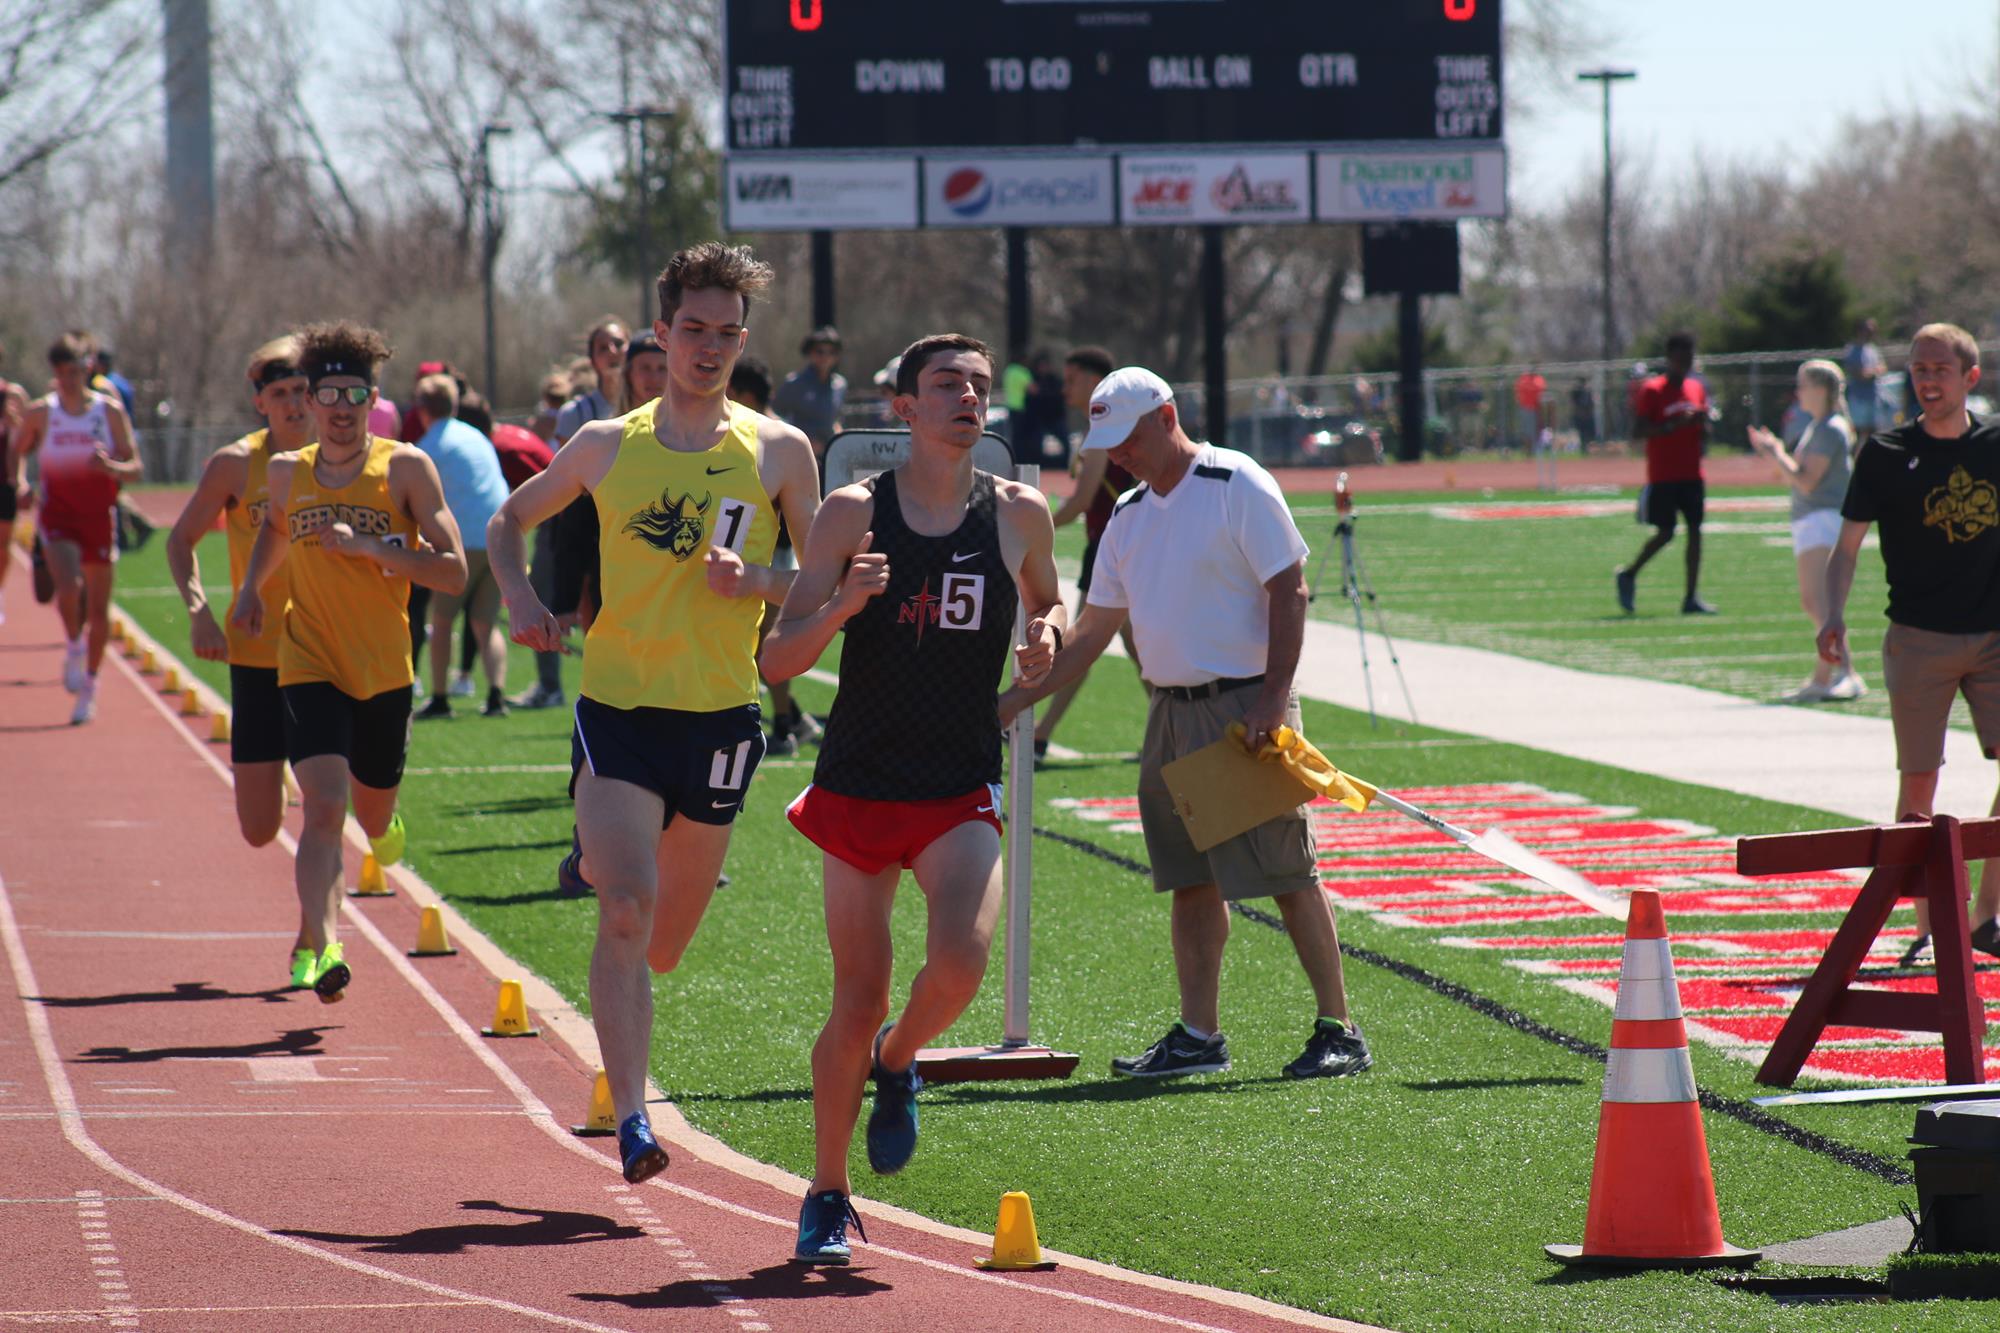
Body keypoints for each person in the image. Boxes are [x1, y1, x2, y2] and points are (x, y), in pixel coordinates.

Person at [488, 242, 819, 1184]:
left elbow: (826, 582)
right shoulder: (605, 446)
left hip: (719, 720)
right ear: (662, 334)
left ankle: (623, 929)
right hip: (619, 709)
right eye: (691, 330)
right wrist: (518, 598)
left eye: (725, 333)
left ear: (741, 339)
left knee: (665, 944)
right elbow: (507, 520)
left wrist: (754, 578)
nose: (707, 348)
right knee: (626, 911)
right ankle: (633, 1117)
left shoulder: (780, 451)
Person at [762, 333, 1065, 1266]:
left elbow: (1049, 604)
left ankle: (900, 1063)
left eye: (978, 384)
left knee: (963, 964)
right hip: (859, 778)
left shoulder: (1019, 512)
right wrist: (845, 606)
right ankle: (825, 1192)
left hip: (955, 779)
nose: (968, 397)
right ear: (905, 409)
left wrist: (1043, 642)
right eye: (947, 386)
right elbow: (777, 658)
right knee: (856, 999)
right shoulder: (853, 513)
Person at [999, 366, 1371, 1085]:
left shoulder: (1237, 484)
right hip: (1169, 712)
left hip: (1243, 708)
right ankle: (1200, 1032)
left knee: (1289, 872)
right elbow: (1098, 627)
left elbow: (1289, 589)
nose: (1118, 455)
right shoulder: (1130, 513)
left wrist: (1272, 698)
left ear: (1167, 416)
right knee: (1189, 879)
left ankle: (1339, 1027)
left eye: (1128, 437)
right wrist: (1020, 698)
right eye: (1107, 443)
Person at [232, 321, 467, 1003]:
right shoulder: (287, 472)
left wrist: (374, 551)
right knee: (324, 807)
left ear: (372, 400)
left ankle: (386, 823)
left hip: (384, 670)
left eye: (352, 393)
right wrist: (250, 591)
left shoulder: (404, 468)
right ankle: (325, 940)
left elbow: (452, 572)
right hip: (308, 659)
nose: (337, 406)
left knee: (368, 813)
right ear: (309, 400)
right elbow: (276, 529)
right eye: (324, 392)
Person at [1819, 323, 2000, 968]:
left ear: (1969, 378)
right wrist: (1832, 613)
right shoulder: (1887, 452)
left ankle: (1986, 916)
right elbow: (1846, 548)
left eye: (1940, 370)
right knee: (1919, 788)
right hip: (1919, 638)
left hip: (1994, 636)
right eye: (1919, 370)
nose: (1927, 380)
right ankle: (1928, 931)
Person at [165, 336, 319, 984]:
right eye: (278, 393)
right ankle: (282, 775)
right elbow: (179, 539)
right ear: (260, 401)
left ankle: (317, 937)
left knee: (328, 804)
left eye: (300, 392)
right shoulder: (236, 466)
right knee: (259, 830)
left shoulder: (335, 463)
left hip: (322, 655)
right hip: (255, 659)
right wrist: (200, 608)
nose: (292, 403)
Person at [10, 330, 142, 724]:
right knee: (69, 587)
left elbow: (135, 468)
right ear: (54, 373)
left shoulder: (108, 412)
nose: (69, 379)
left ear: (89, 369)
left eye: (76, 370)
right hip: (57, 516)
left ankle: (90, 685)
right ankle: (72, 643)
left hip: (99, 518)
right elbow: (18, 451)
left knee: (99, 611)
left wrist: (113, 468)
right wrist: (20, 481)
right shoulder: (42, 412)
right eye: (62, 372)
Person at [1035, 346, 1144, 761]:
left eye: (1072, 379)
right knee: (1131, 647)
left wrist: (1034, 526)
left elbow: (1080, 501)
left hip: (1112, 546)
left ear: (1097, 381)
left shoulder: (1105, 432)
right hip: (1105, 545)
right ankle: (1171, 733)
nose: (1065, 388)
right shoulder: (1094, 431)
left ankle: (1040, 734)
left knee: (1084, 643)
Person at [1749, 360, 1863, 704]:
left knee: (1819, 602)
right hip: (1815, 520)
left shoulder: (1829, 428)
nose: (1798, 392)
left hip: (1822, 519)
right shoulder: (1821, 426)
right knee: (1817, 602)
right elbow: (1795, 477)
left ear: (1821, 389)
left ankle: (1846, 673)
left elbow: (1807, 481)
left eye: (1803, 385)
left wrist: (1775, 452)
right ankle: (1825, 675)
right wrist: (1776, 456)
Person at [728, 354, 820, 757]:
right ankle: (793, 718)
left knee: (769, 647)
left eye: (731, 393)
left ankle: (784, 724)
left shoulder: (775, 438)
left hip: (779, 558)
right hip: (758, 558)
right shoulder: (755, 432)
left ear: (745, 394)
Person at [409, 374, 511, 719]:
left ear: (422, 410)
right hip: (498, 538)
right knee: (486, 623)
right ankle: (496, 695)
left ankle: (439, 698)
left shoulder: (428, 447)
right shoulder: (478, 438)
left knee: (441, 620)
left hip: (464, 543)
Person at [1616, 332, 1716, 615]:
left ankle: (1691, 597)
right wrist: (1672, 426)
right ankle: (1629, 573)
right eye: (1680, 357)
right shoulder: (1653, 390)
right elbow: (1637, 431)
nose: (1685, 363)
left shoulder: (1697, 388)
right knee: (1666, 533)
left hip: (1692, 472)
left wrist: (1702, 424)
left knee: (1696, 532)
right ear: (1670, 358)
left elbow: (1704, 432)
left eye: (1689, 357)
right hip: (1663, 473)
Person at [770, 326, 846, 457]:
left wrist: (838, 435)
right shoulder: (794, 383)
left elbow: (836, 417)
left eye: (831, 352)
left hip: (830, 454)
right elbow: (774, 415)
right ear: (810, 353)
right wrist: (800, 439)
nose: (825, 357)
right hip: (799, 453)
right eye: (820, 351)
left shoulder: (840, 385)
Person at [0, 341, 28, 626]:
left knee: (3, 545)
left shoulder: (11, 395)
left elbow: (27, 441)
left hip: (3, 483)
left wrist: (19, 480)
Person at [1844, 317, 1887, 440]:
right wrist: (1870, 372)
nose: (1871, 333)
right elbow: (1857, 373)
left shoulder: (1872, 349)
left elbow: (1882, 367)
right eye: (1868, 330)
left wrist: (1872, 371)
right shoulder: (1852, 350)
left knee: (1874, 432)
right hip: (1858, 399)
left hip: (1873, 397)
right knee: (1859, 433)